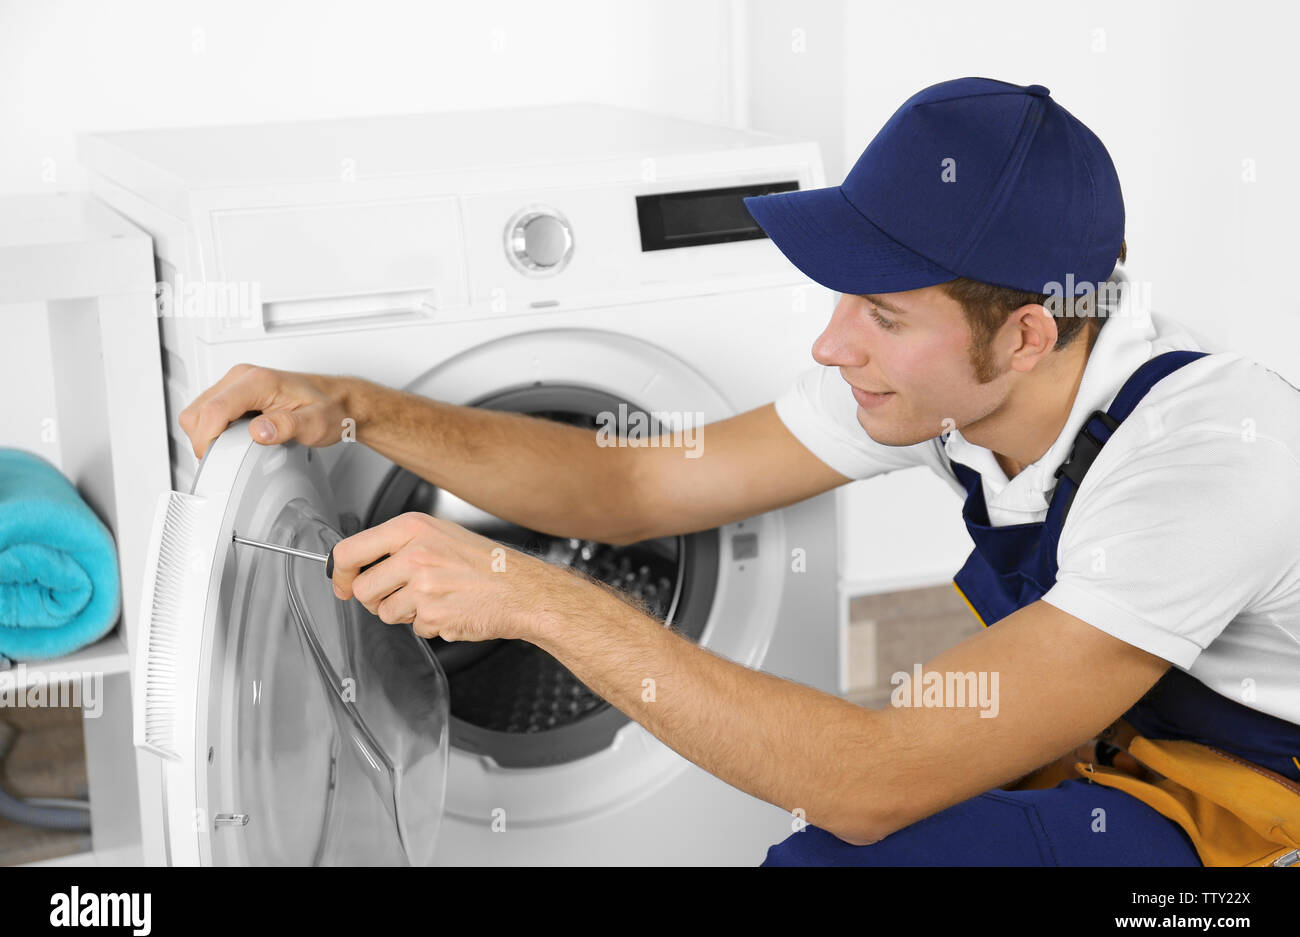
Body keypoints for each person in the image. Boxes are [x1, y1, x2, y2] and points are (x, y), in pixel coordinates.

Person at [179, 77, 1300, 866]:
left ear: (1023, 339)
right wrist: (360, 407)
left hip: (1259, 808)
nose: (830, 343)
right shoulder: (945, 377)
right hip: (1113, 751)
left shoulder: (1202, 466)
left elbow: (873, 783)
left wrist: (533, 597)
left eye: (879, 310)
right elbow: (633, 484)